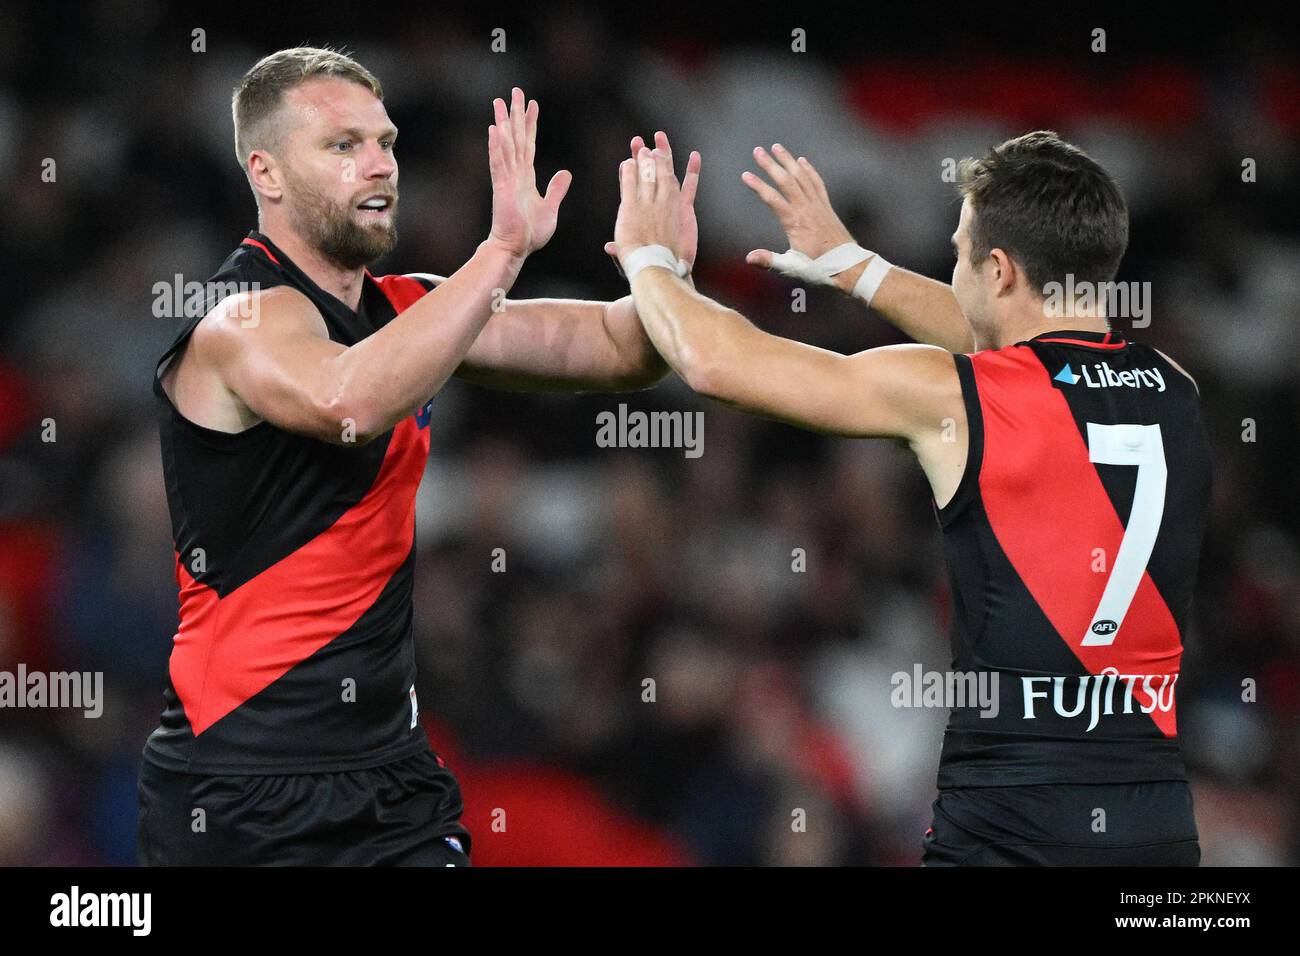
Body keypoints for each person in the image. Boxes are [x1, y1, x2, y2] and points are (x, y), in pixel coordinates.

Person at [137, 47, 698, 866]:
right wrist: (500, 255)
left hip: (389, 781)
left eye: (386, 142)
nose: (378, 165)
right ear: (267, 172)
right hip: (240, 786)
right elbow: (347, 402)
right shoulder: (238, 321)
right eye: (342, 146)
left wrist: (660, 271)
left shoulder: (409, 307)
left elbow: (618, 349)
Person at [608, 130, 1211, 865]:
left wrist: (650, 259)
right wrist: (855, 268)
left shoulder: (957, 396)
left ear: (998, 270)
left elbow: (715, 361)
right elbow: (1027, 342)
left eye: (958, 255)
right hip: (1157, 835)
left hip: (1012, 833)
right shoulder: (1175, 387)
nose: (952, 272)